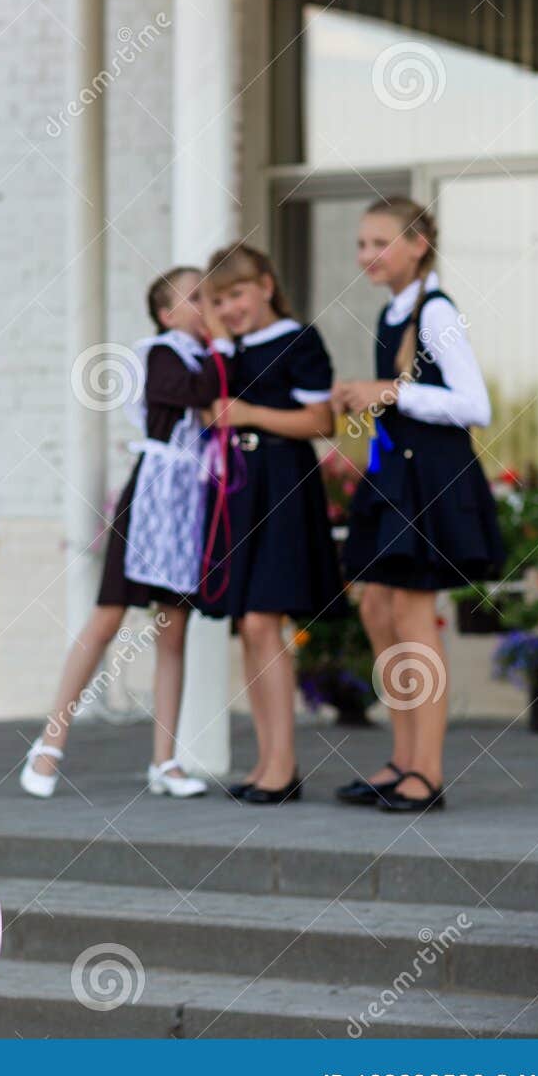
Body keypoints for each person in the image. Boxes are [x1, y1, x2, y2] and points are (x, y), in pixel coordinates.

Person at [330, 197, 504, 812]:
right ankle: (402, 758)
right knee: (378, 606)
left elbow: (474, 405)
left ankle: (426, 772)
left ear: (417, 245)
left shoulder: (435, 313)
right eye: (361, 244)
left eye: (379, 242)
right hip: (396, 480)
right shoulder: (392, 311)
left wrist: (392, 393)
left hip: (430, 481)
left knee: (411, 616)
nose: (366, 256)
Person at [18, 267, 217, 800]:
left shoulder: (210, 357)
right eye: (197, 296)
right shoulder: (161, 355)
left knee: (174, 629)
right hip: (149, 502)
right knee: (107, 618)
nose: (209, 304)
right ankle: (49, 743)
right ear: (166, 313)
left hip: (189, 506)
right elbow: (200, 392)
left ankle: (165, 760)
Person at [193, 242, 343, 804]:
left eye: (237, 294)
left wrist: (251, 415)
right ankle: (266, 759)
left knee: (262, 623)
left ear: (266, 285)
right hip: (238, 491)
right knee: (248, 627)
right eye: (218, 300)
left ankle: (283, 764)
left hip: (282, 484)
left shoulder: (298, 341)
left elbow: (321, 419)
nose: (230, 308)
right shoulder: (226, 350)